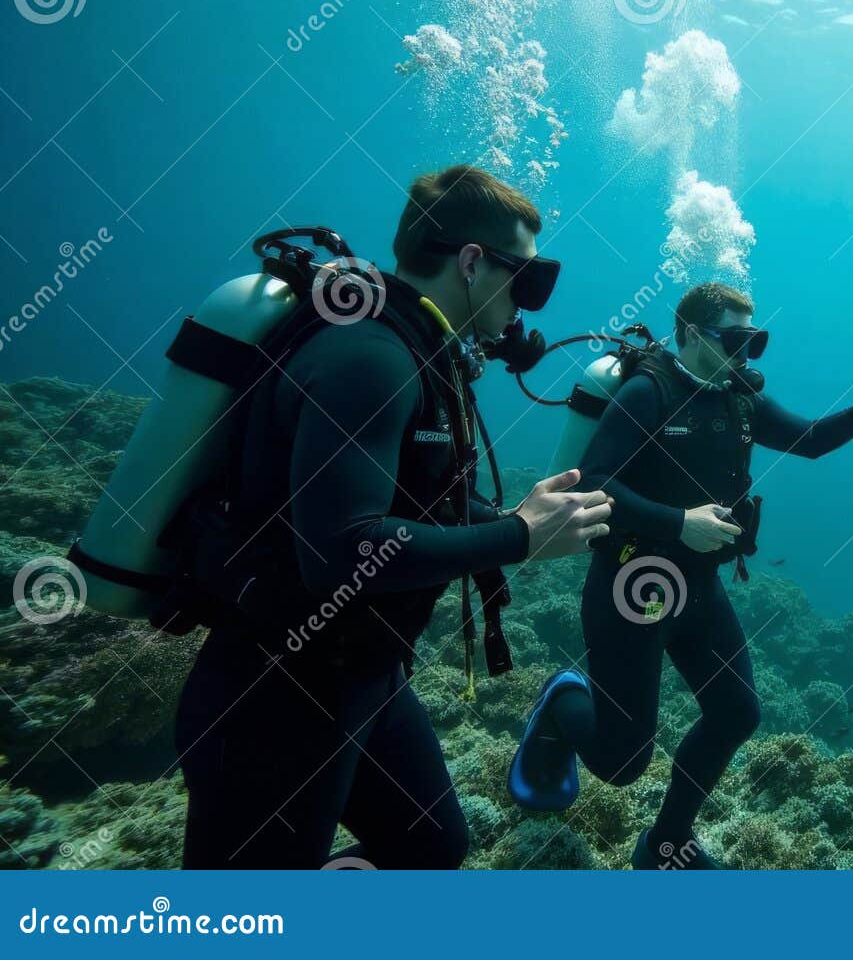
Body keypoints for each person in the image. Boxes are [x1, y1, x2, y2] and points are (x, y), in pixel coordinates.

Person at [174, 165, 611, 869]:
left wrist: (519, 519)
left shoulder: (420, 354)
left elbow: (420, 496)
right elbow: (342, 555)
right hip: (276, 696)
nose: (527, 305)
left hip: (365, 675)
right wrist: (519, 535)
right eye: (526, 278)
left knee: (431, 848)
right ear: (471, 261)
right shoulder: (370, 357)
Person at [509, 282, 853, 869]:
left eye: (756, 340)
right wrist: (677, 522)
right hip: (632, 584)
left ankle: (666, 842)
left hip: (700, 584)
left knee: (737, 713)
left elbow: (810, 440)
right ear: (694, 333)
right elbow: (595, 480)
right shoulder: (649, 392)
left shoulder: (736, 399)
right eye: (736, 338)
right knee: (622, 764)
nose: (746, 353)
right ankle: (561, 699)